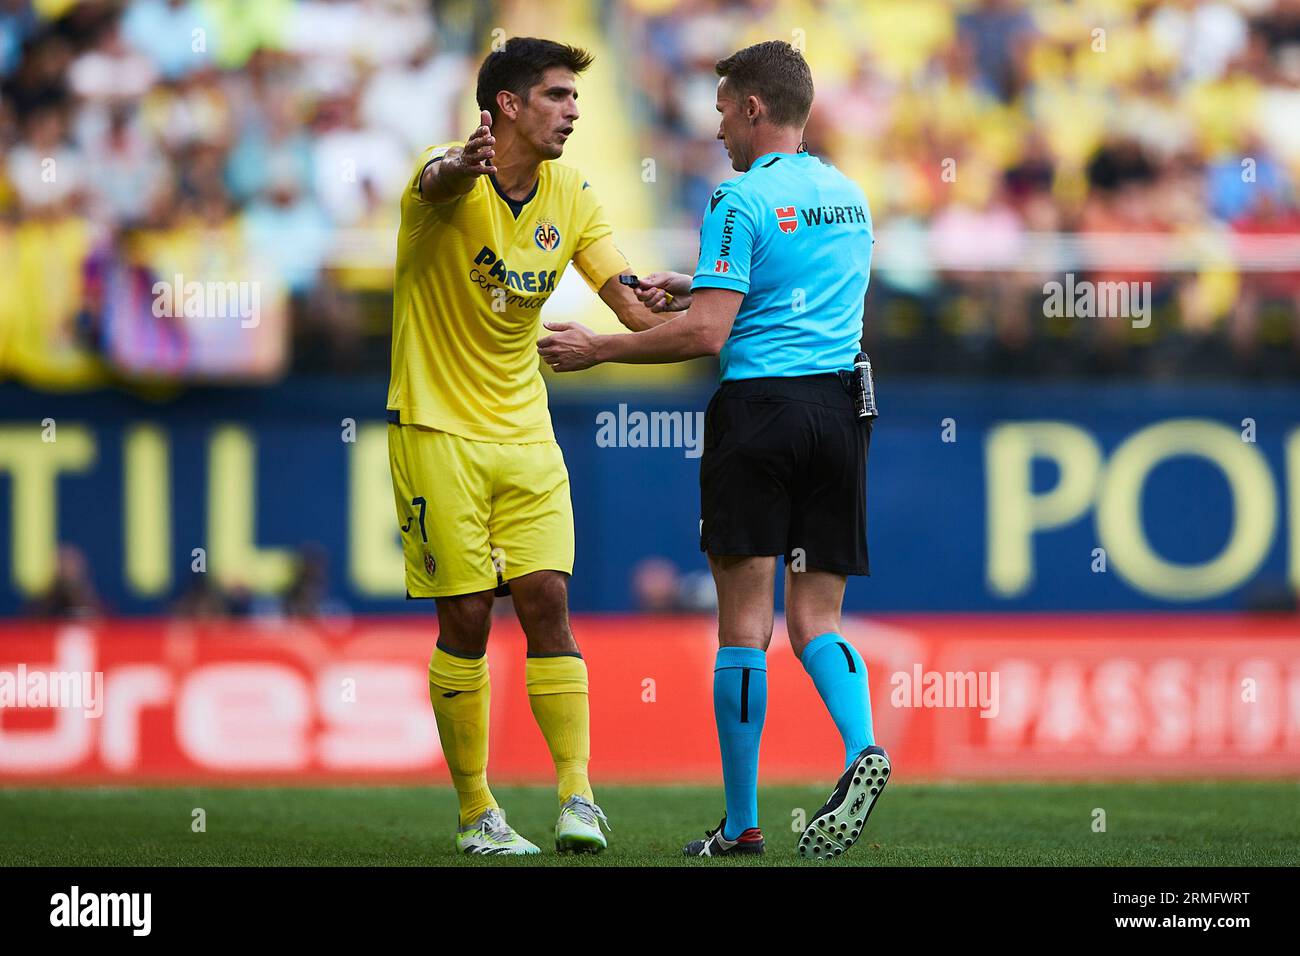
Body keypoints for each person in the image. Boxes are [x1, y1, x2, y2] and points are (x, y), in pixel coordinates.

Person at [538, 39, 888, 860]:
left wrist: (601, 349)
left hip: (759, 411)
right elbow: (787, 284)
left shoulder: (739, 199)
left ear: (755, 108)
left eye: (725, 108)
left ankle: (740, 825)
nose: (720, 125)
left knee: (743, 631)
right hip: (841, 410)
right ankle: (862, 747)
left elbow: (708, 335)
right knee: (817, 620)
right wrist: (696, 279)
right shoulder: (848, 195)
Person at [387, 36, 663, 856]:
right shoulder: (444, 174)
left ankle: (578, 797)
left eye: (576, 98)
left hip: (525, 431)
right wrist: (458, 168)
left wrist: (718, 316)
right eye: (556, 95)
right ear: (506, 105)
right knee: (467, 617)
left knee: (547, 599)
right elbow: (439, 182)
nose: (573, 111)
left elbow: (634, 305)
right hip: (436, 428)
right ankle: (477, 813)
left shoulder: (573, 195)